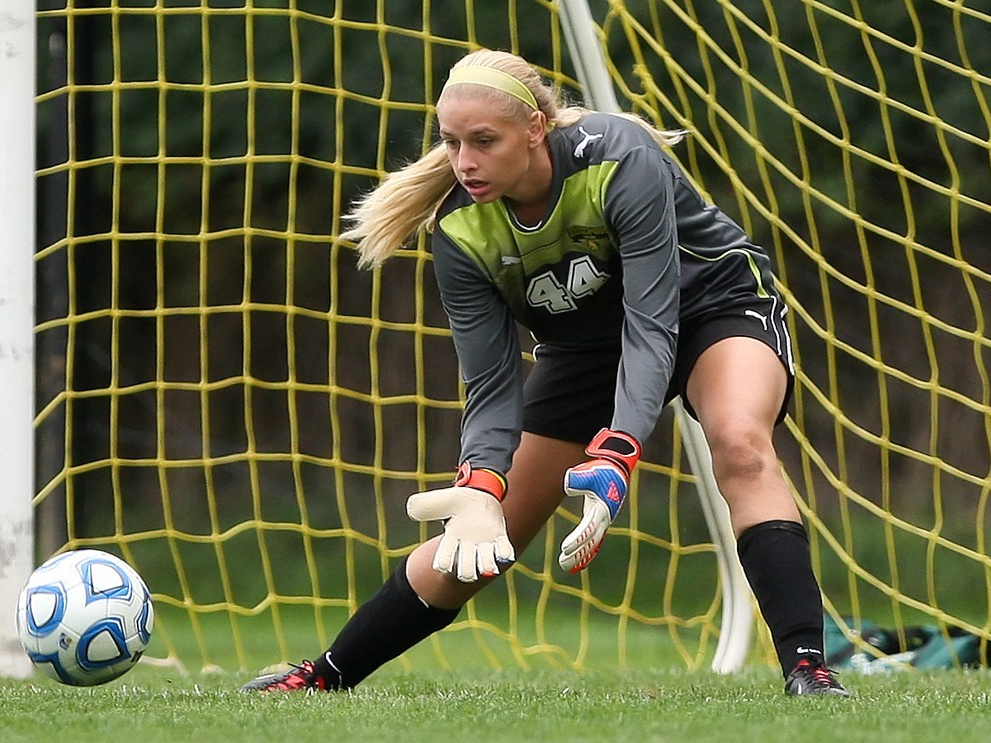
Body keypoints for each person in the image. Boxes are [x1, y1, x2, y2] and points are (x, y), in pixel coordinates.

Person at [241, 48, 850, 697]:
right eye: (451, 143)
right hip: (588, 350)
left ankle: (808, 669)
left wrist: (618, 449)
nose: (465, 161)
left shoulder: (618, 159)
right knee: (474, 549)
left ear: (535, 128)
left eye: (483, 141)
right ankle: (325, 674)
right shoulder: (460, 231)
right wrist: (479, 486)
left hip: (709, 306)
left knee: (739, 442)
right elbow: (491, 385)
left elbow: (651, 325)